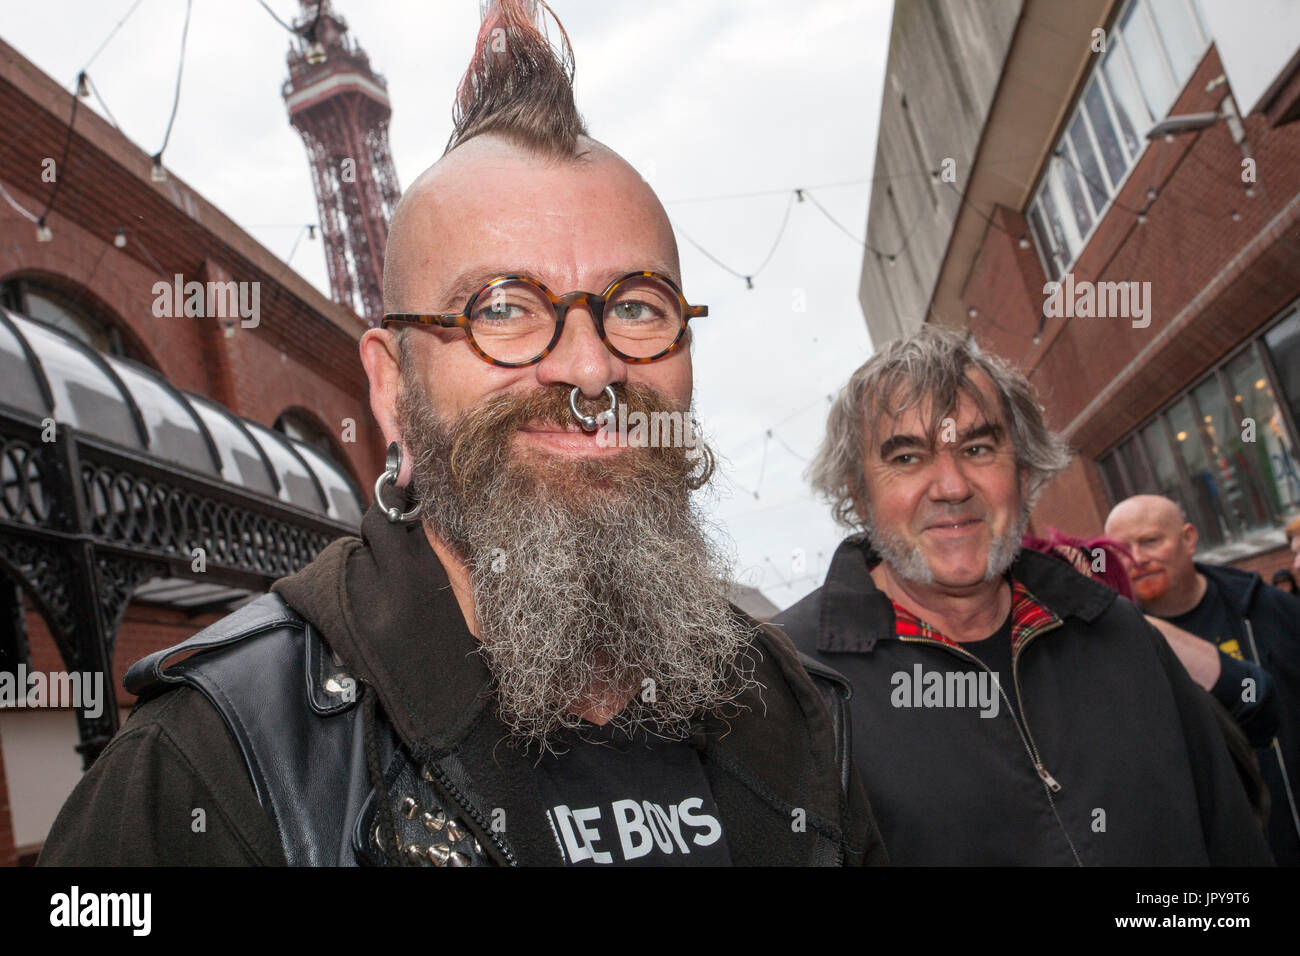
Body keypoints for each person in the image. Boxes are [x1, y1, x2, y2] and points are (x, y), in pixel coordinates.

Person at [38, 0, 883, 867]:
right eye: (503, 309)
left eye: (636, 306)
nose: (592, 371)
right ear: (391, 386)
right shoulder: (209, 767)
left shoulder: (796, 710)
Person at [773, 325, 1272, 865]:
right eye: (908, 458)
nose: (952, 486)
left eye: (978, 447)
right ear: (857, 491)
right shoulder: (792, 683)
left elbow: (1232, 848)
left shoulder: (1119, 630)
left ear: (1024, 469)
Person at [1105, 494, 1300, 865]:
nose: (1137, 559)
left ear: (1189, 538)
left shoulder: (1270, 611)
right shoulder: (1109, 646)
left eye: (1150, 541)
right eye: (1121, 550)